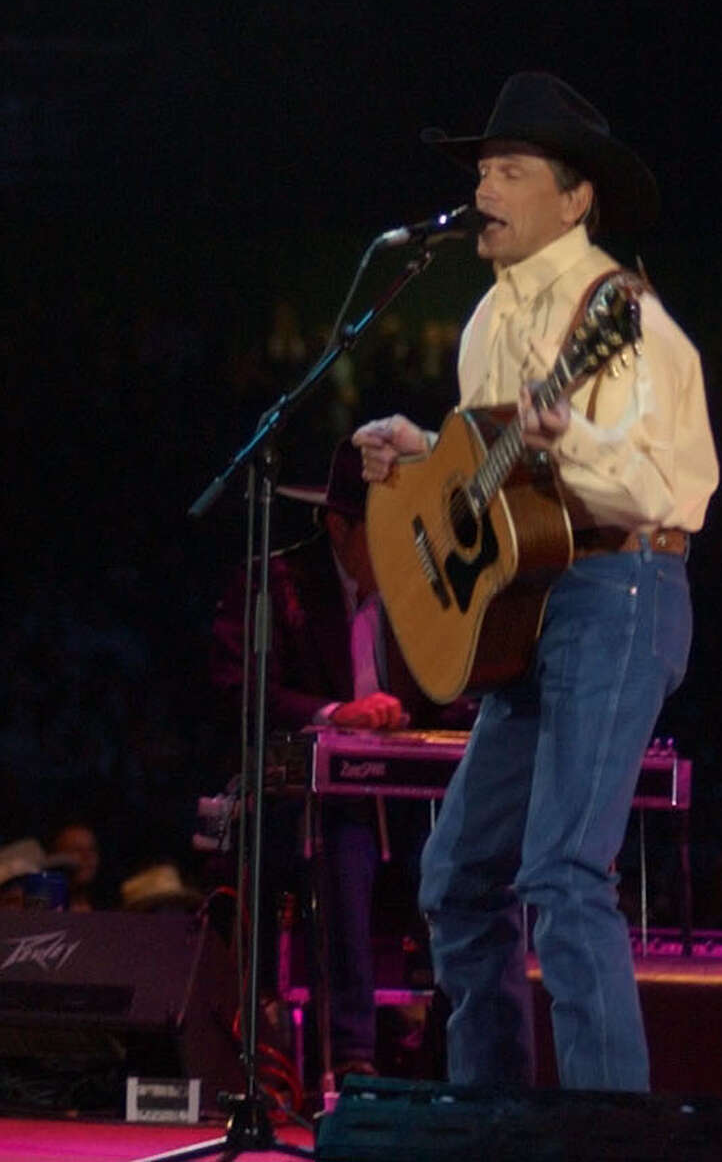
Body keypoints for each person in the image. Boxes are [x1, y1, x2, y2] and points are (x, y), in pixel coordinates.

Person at [356, 70, 719, 1095]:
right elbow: (493, 479)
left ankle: (613, 1129)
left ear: (575, 198)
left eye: (511, 171)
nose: (486, 188)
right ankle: (490, 1113)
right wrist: (424, 455)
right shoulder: (484, 322)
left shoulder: (623, 319)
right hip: (530, 602)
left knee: (563, 869)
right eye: (483, 170)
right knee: (458, 878)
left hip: (623, 590)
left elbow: (666, 484)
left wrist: (573, 436)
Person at [210, 439, 445, 1079]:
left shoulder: (420, 591)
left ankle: (457, 1052)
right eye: (384, 533)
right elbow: (240, 689)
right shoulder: (277, 582)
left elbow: (446, 694)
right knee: (344, 843)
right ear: (339, 526)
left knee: (471, 853)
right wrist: (336, 715)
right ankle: (352, 1056)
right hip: (307, 807)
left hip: (408, 804)